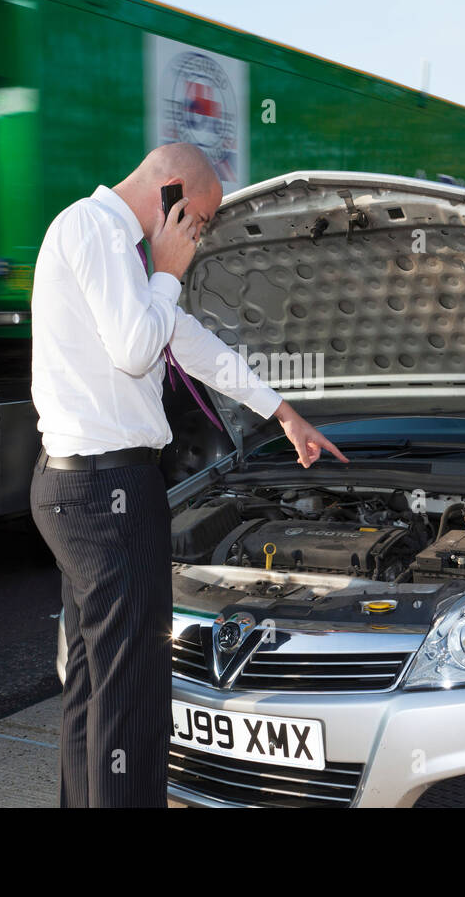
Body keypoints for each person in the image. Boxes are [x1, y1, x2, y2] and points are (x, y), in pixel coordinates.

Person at [29, 143, 348, 807]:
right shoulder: (96, 232)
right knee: (133, 696)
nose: (197, 238)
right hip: (105, 492)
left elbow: (185, 340)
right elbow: (136, 346)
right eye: (197, 221)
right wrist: (170, 271)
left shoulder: (113, 248)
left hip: (85, 490)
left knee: (95, 685)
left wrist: (282, 411)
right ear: (170, 191)